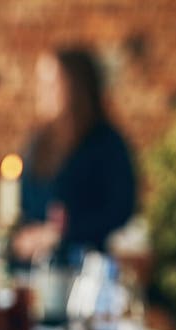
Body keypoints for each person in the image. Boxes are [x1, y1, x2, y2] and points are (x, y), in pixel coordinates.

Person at [14, 47, 136, 264]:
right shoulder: (39, 143)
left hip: (85, 267)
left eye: (52, 84)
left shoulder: (105, 143)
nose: (42, 92)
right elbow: (25, 204)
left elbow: (121, 209)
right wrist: (27, 236)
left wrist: (62, 234)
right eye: (41, 84)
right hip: (36, 267)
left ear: (75, 87)